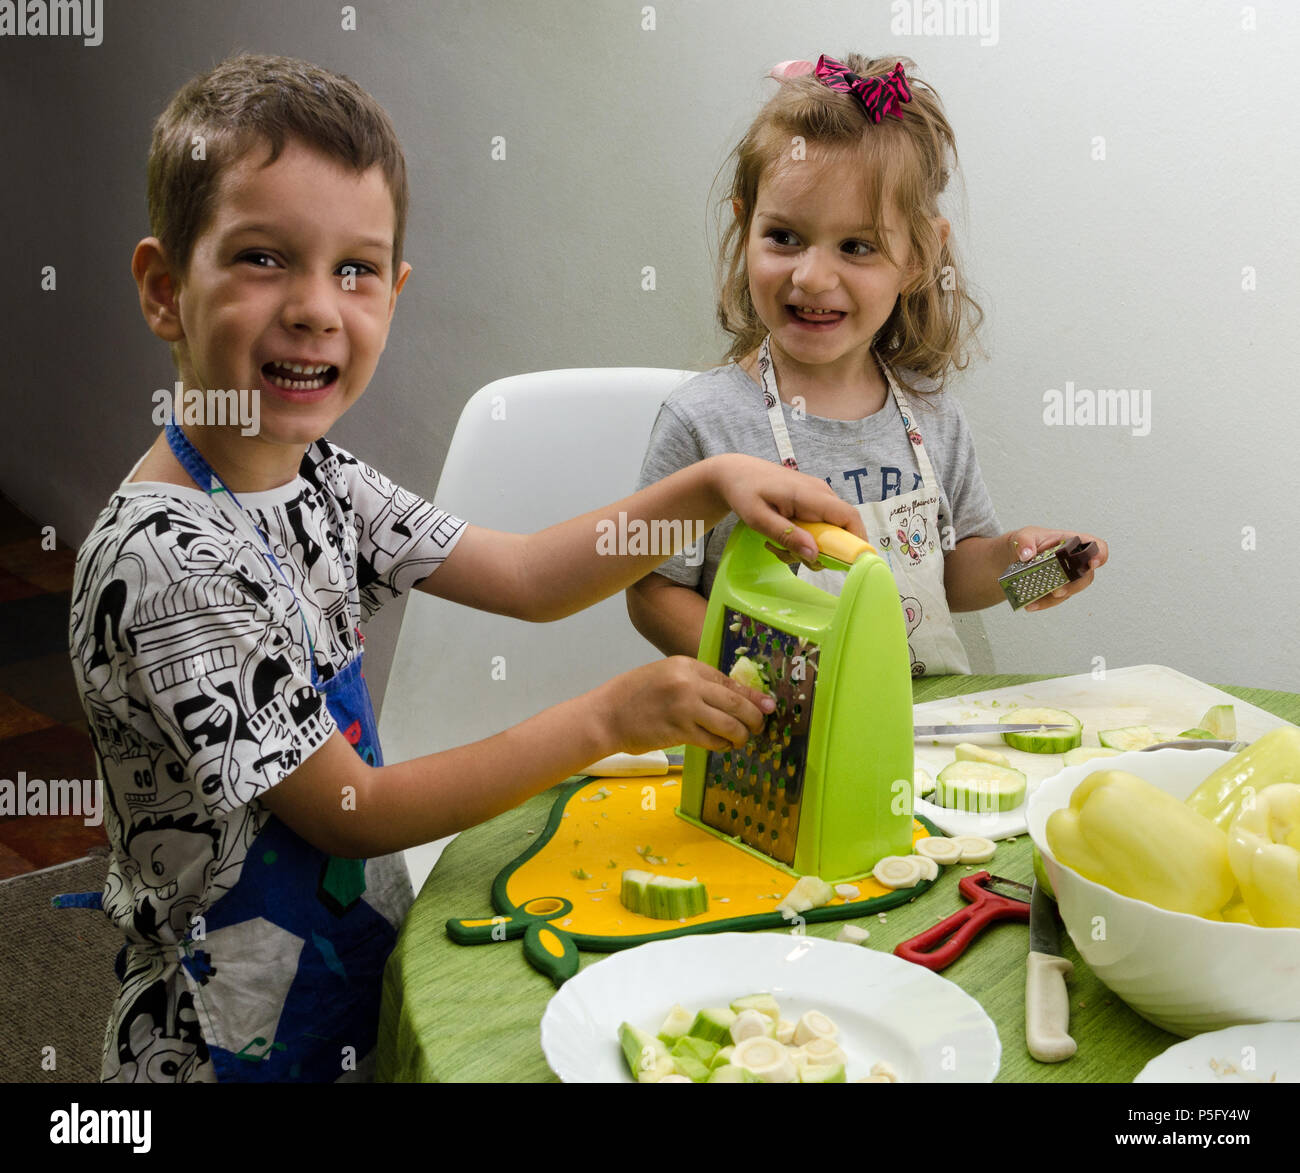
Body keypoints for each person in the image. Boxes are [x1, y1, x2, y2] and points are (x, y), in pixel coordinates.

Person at [67, 53, 864, 1084]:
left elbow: (527, 574)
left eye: (355, 270)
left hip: (343, 969)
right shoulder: (172, 564)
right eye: (265, 259)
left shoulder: (319, 477)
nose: (317, 307)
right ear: (165, 290)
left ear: (393, 295)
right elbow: (354, 807)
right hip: (218, 1043)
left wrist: (706, 485)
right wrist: (604, 721)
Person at [627, 54, 1108, 675]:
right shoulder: (703, 422)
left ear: (917, 259)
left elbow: (954, 577)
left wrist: (1020, 564)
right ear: (745, 225)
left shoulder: (934, 419)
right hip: (780, 740)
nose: (811, 276)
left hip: (922, 737)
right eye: (783, 237)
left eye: (856, 246)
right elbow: (651, 591)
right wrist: (767, 671)